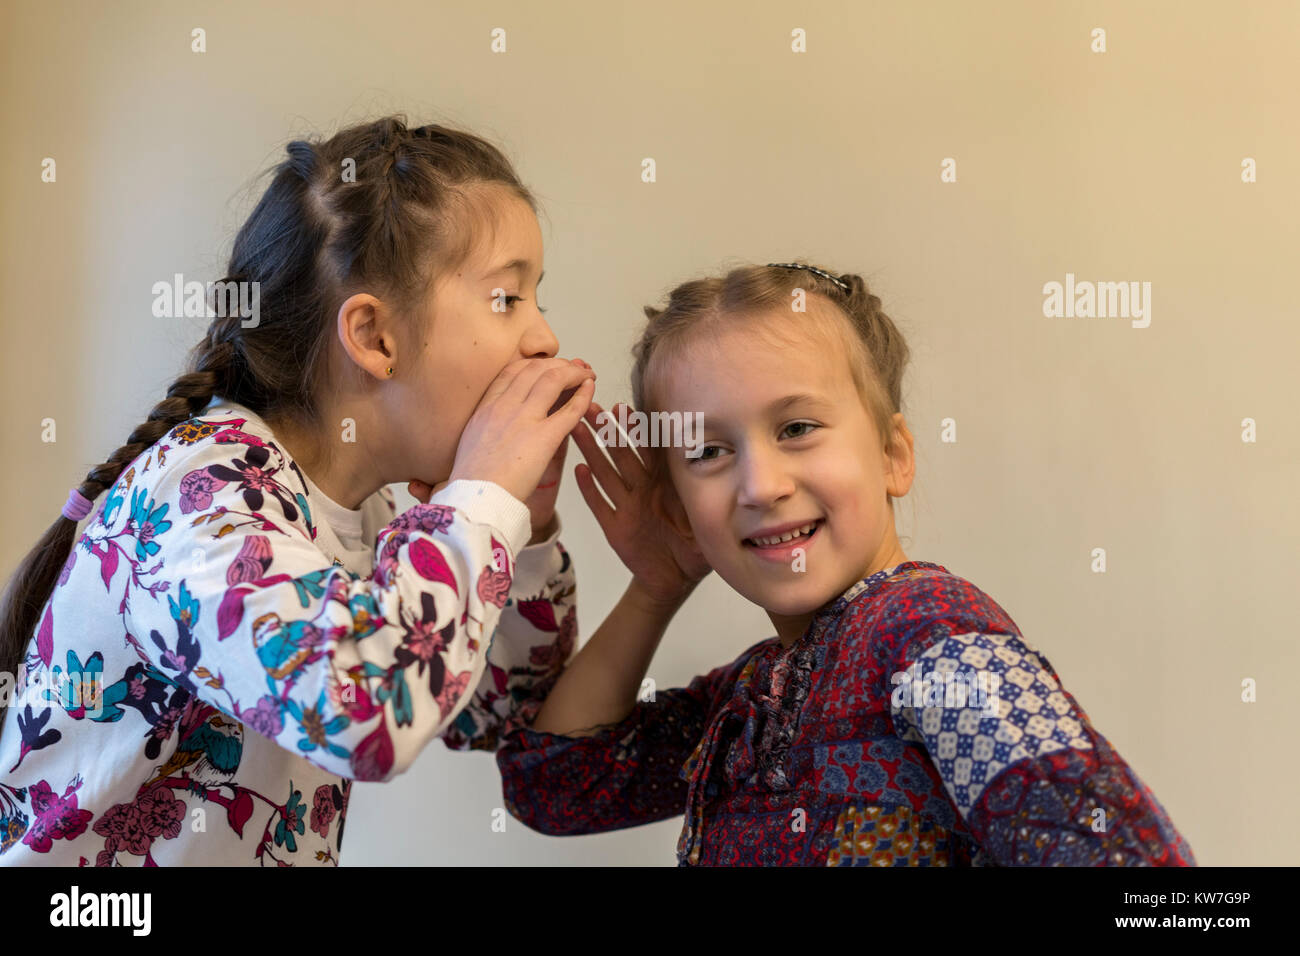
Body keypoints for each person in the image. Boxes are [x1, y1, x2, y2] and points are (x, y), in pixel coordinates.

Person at [0, 115, 596, 866]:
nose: (543, 338)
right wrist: (482, 501)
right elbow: (365, 717)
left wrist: (524, 524)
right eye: (507, 298)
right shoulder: (199, 496)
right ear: (376, 337)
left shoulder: (370, 510)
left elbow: (499, 710)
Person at [495, 261, 1196, 866]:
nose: (760, 485)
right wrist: (655, 587)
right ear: (679, 509)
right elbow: (557, 784)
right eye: (707, 451)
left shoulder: (926, 634)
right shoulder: (750, 697)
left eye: (797, 428)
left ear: (894, 454)